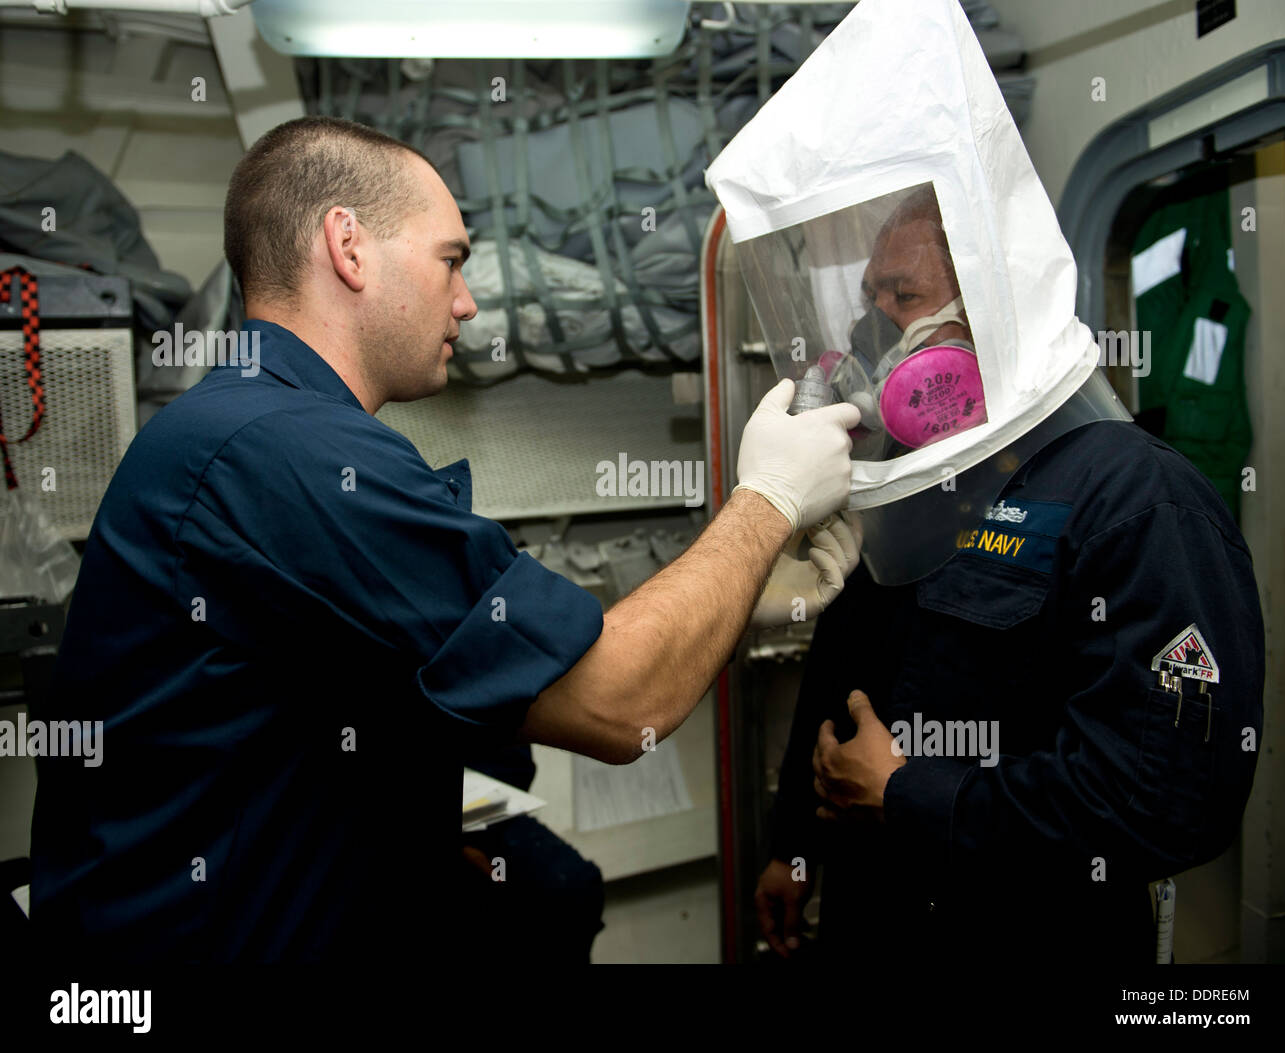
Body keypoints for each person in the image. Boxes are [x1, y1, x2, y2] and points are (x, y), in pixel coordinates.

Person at [28, 115, 861, 964]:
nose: (467, 300)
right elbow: (621, 702)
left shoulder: (253, 424)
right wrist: (767, 501)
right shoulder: (287, 453)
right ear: (348, 247)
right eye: (451, 261)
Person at [753, 188, 1265, 966]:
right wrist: (793, 843)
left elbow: (1168, 801)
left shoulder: (1133, 497)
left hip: (1026, 932)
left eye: (904, 295)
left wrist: (904, 795)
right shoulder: (906, 481)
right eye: (871, 297)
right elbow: (843, 670)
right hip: (876, 913)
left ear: (997, 309)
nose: (874, 324)